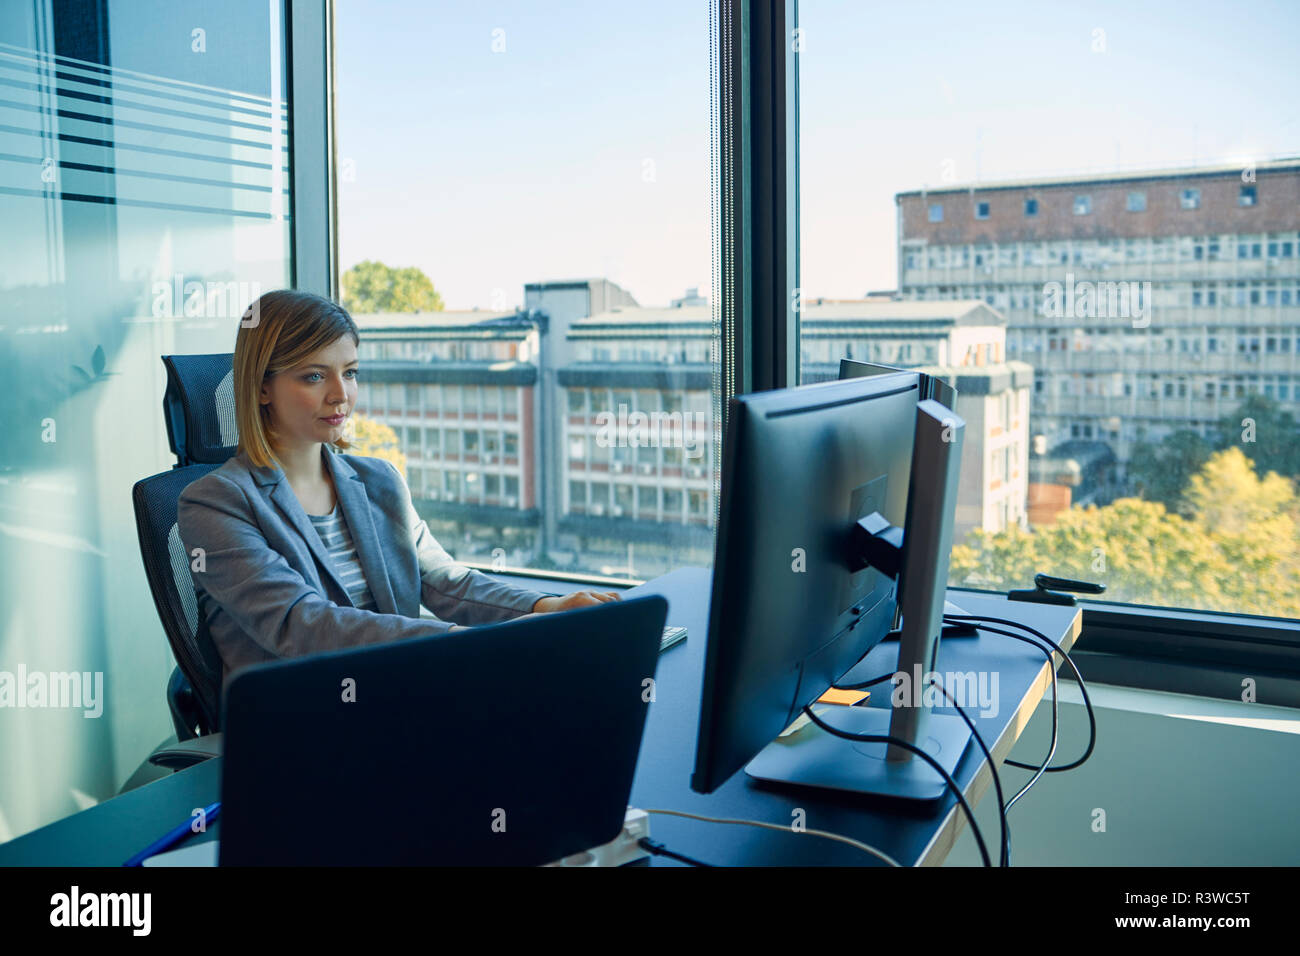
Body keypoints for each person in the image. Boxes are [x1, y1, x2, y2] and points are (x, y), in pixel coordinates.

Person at [177, 289, 620, 685]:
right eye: (314, 376)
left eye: (349, 372)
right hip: (301, 727)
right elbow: (301, 624)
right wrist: (454, 642)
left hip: (397, 696)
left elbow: (444, 581)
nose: (341, 395)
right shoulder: (216, 504)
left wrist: (546, 608)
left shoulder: (376, 480)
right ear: (262, 388)